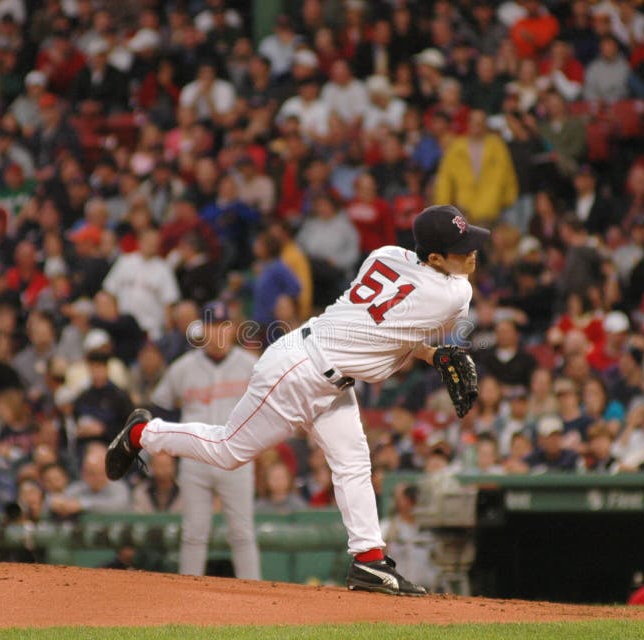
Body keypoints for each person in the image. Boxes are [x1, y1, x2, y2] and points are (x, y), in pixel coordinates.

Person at [105, 205, 490, 596]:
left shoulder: (385, 254)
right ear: (435, 258)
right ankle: (142, 433)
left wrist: (431, 355)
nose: (473, 252)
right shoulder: (454, 292)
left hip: (324, 370)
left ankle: (369, 560)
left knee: (353, 462)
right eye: (463, 248)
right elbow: (407, 326)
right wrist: (435, 354)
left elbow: (392, 329)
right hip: (297, 374)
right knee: (227, 450)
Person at [148, 300, 261, 580]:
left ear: (232, 329)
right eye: (212, 326)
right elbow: (160, 406)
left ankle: (255, 595)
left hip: (237, 459)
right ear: (202, 330)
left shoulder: (252, 366)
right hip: (195, 460)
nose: (217, 332)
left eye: (223, 325)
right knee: (193, 534)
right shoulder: (183, 368)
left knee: (242, 533)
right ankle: (187, 596)